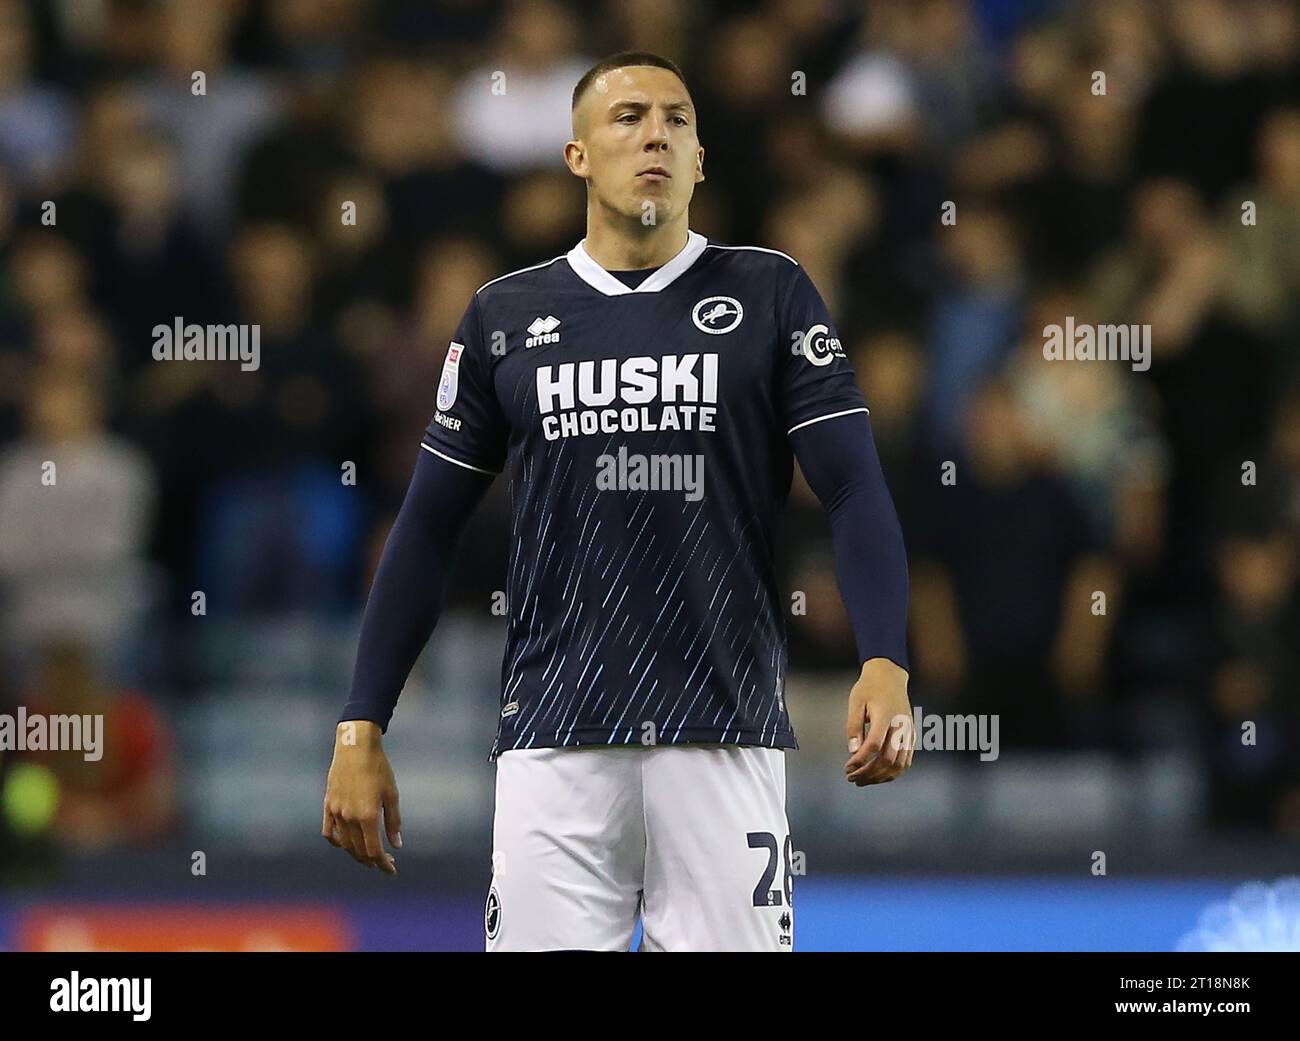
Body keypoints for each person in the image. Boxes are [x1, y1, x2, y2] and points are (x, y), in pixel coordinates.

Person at [322, 51, 912, 952]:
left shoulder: (770, 292)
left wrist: (885, 660)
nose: (656, 136)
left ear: (702, 160)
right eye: (629, 117)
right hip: (554, 741)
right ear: (577, 156)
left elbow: (854, 484)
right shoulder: (503, 316)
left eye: (678, 120)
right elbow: (426, 527)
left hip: (723, 727)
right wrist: (362, 721)